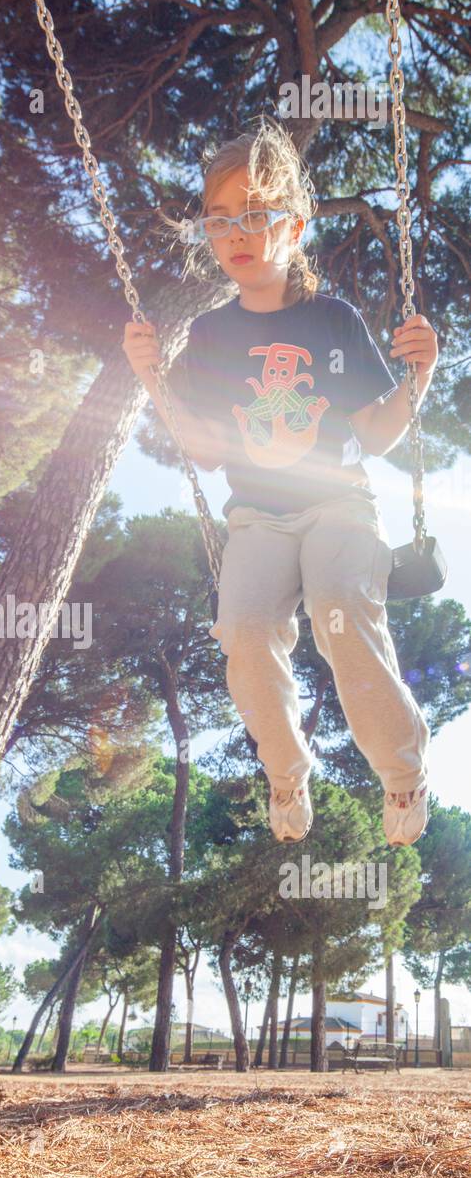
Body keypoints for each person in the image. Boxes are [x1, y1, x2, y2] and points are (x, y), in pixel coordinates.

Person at [123, 117, 437, 846]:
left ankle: (402, 773)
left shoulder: (333, 320)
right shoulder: (208, 336)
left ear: (293, 226)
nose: (238, 232)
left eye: (258, 215)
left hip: (339, 506)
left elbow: (378, 435)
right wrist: (151, 380)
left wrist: (418, 378)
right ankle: (287, 773)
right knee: (244, 628)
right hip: (257, 519)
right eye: (221, 219)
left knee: (340, 607)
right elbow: (203, 452)